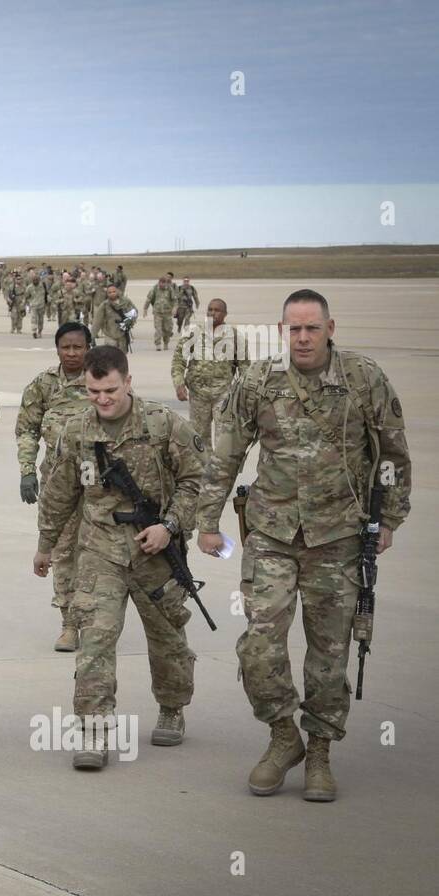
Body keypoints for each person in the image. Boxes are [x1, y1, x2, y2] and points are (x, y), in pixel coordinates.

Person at [196, 289, 410, 802]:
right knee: (259, 646)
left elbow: (392, 452)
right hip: (272, 533)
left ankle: (319, 750)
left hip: (338, 536)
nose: (304, 337)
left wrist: (390, 517)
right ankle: (282, 735)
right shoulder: (257, 381)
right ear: (281, 330)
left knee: (329, 655)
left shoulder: (363, 379)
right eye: (294, 328)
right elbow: (225, 451)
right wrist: (206, 520)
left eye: (312, 328)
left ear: (331, 328)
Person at [34, 346, 204, 768]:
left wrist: (170, 526)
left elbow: (196, 481)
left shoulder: (164, 426)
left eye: (110, 389)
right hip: (99, 551)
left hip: (156, 555)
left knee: (167, 641)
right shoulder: (76, 431)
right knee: (94, 639)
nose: (103, 399)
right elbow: (58, 492)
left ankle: (171, 706)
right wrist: (45, 544)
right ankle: (93, 731)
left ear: (128, 382)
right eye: (94, 391)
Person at [16, 322, 92, 651]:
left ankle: (98, 619)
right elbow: (27, 429)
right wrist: (26, 470)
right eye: (66, 347)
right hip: (57, 484)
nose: (72, 353)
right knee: (62, 553)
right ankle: (70, 624)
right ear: (57, 349)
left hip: (99, 484)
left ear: (89, 347)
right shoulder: (43, 385)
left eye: (78, 347)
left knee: (99, 553)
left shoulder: (102, 381)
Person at [172, 297, 249, 446]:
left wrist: (242, 393)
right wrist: (179, 383)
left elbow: (245, 367)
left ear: (225, 314)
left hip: (223, 396)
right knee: (199, 439)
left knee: (224, 439)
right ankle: (204, 469)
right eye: (210, 309)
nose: (212, 313)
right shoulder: (193, 334)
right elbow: (178, 360)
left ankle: (220, 468)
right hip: (198, 395)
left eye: (217, 310)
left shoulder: (234, 337)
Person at [90, 283, 136, 352]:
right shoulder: (104, 305)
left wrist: (129, 321)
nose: (112, 294)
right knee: (111, 356)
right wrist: (92, 337)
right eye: (109, 292)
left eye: (114, 291)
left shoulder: (126, 302)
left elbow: (134, 312)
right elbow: (97, 322)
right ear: (107, 294)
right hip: (110, 335)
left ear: (117, 291)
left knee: (122, 357)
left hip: (122, 335)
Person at [144, 274, 178, 351]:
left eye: (164, 282)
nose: (162, 284)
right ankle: (158, 344)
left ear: (166, 283)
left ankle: (166, 343)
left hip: (167, 313)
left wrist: (175, 308)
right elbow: (149, 299)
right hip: (157, 313)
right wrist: (145, 309)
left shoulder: (170, 289)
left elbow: (175, 300)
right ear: (159, 282)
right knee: (158, 329)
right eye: (161, 282)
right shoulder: (155, 289)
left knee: (167, 329)